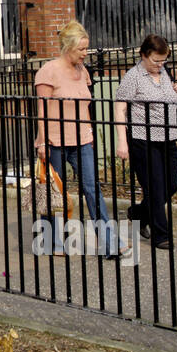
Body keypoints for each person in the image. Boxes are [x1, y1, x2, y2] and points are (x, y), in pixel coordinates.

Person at [33, 20, 121, 258]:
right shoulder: (48, 71)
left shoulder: (83, 71)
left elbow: (85, 107)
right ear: (67, 47)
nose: (85, 53)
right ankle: (51, 242)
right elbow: (41, 110)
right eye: (81, 49)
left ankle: (110, 243)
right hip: (54, 142)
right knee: (52, 193)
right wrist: (42, 143)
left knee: (93, 190)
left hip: (81, 141)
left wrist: (90, 134)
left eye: (86, 48)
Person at [114, 34, 177, 250]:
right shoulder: (133, 77)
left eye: (164, 60)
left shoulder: (164, 72)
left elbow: (167, 97)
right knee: (155, 188)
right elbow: (120, 109)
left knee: (171, 184)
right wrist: (122, 142)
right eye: (156, 60)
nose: (160, 64)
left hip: (168, 136)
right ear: (144, 55)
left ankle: (137, 213)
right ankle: (161, 235)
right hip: (143, 139)